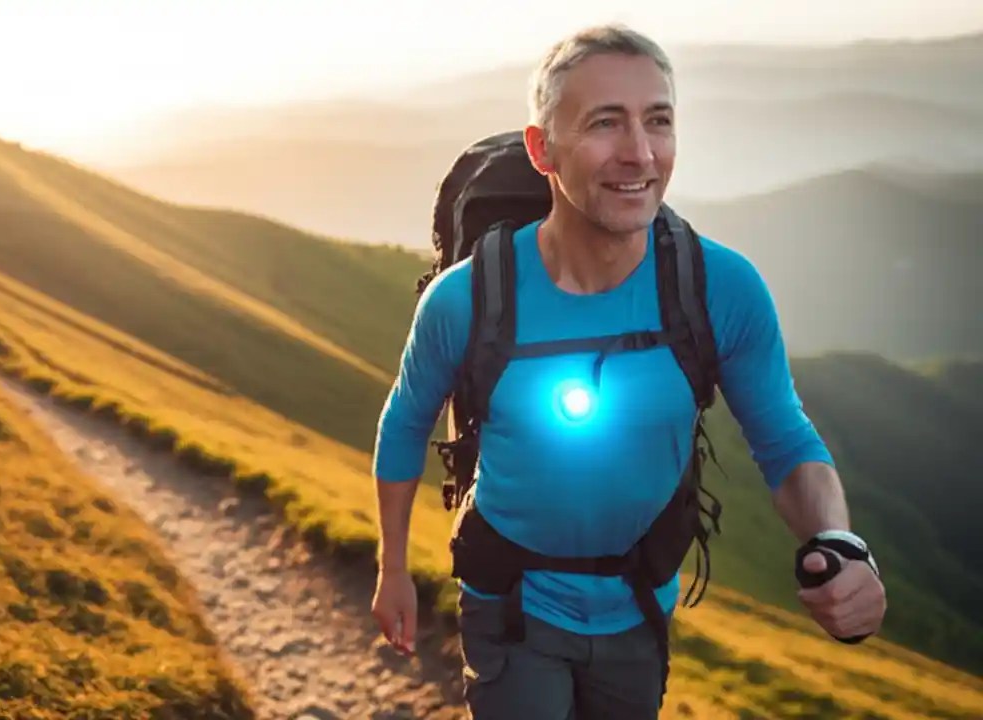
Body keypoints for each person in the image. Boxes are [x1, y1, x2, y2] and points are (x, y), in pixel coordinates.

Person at [369, 24, 887, 719]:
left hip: (640, 605)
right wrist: (392, 568)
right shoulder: (466, 299)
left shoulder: (718, 288)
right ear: (541, 149)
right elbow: (405, 423)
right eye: (605, 123)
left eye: (659, 122)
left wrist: (837, 541)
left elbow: (785, 441)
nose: (639, 153)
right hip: (511, 602)